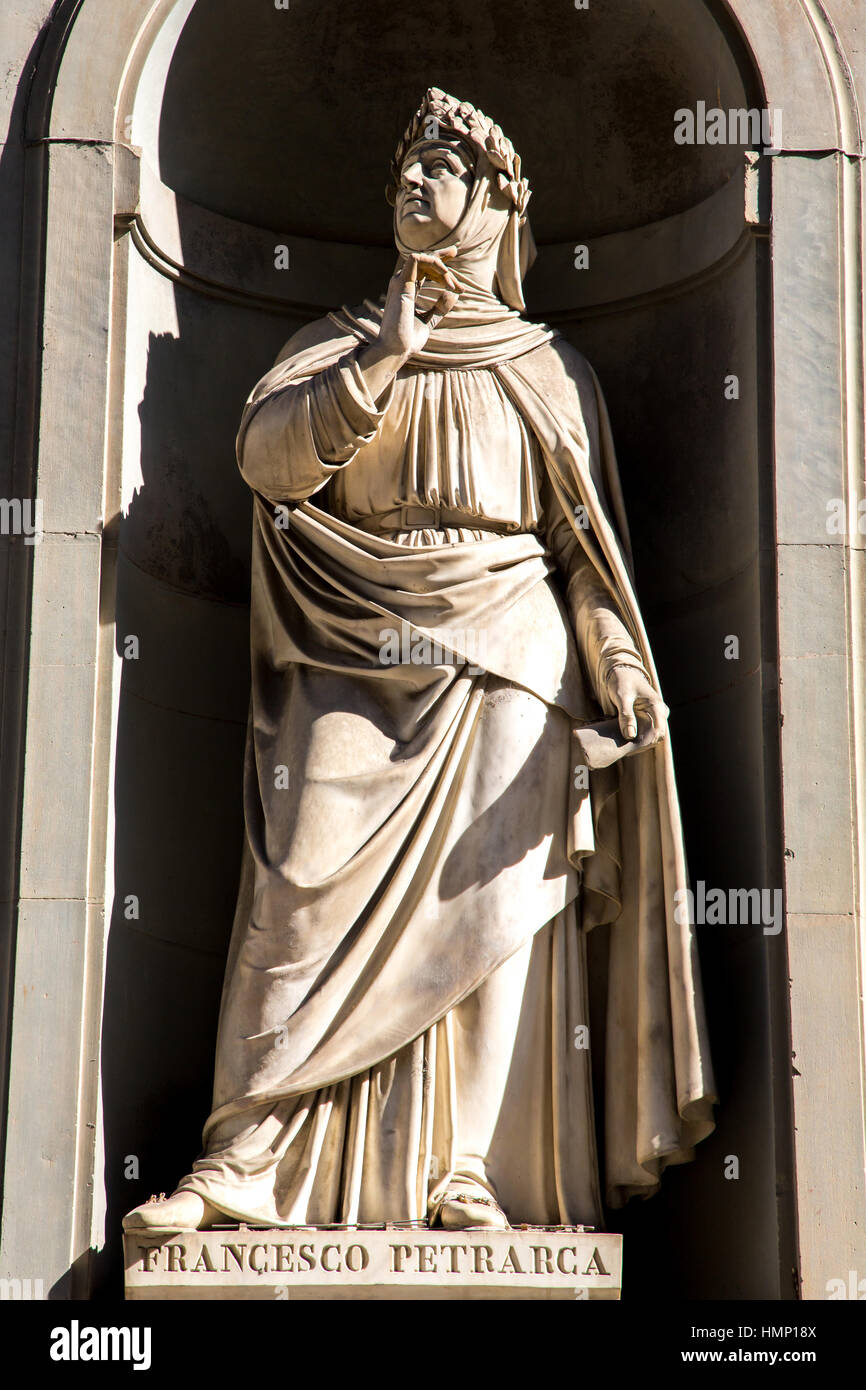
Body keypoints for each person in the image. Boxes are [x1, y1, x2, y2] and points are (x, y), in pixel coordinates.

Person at [125, 87, 715, 1236]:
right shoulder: (337, 343)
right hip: (347, 639)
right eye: (404, 164)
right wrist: (380, 361)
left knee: (497, 903)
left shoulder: (547, 369)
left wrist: (619, 666)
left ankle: (468, 1166)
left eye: (440, 163)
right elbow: (266, 462)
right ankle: (249, 1154)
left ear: (496, 201)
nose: (413, 179)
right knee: (299, 881)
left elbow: (582, 553)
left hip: (510, 640)